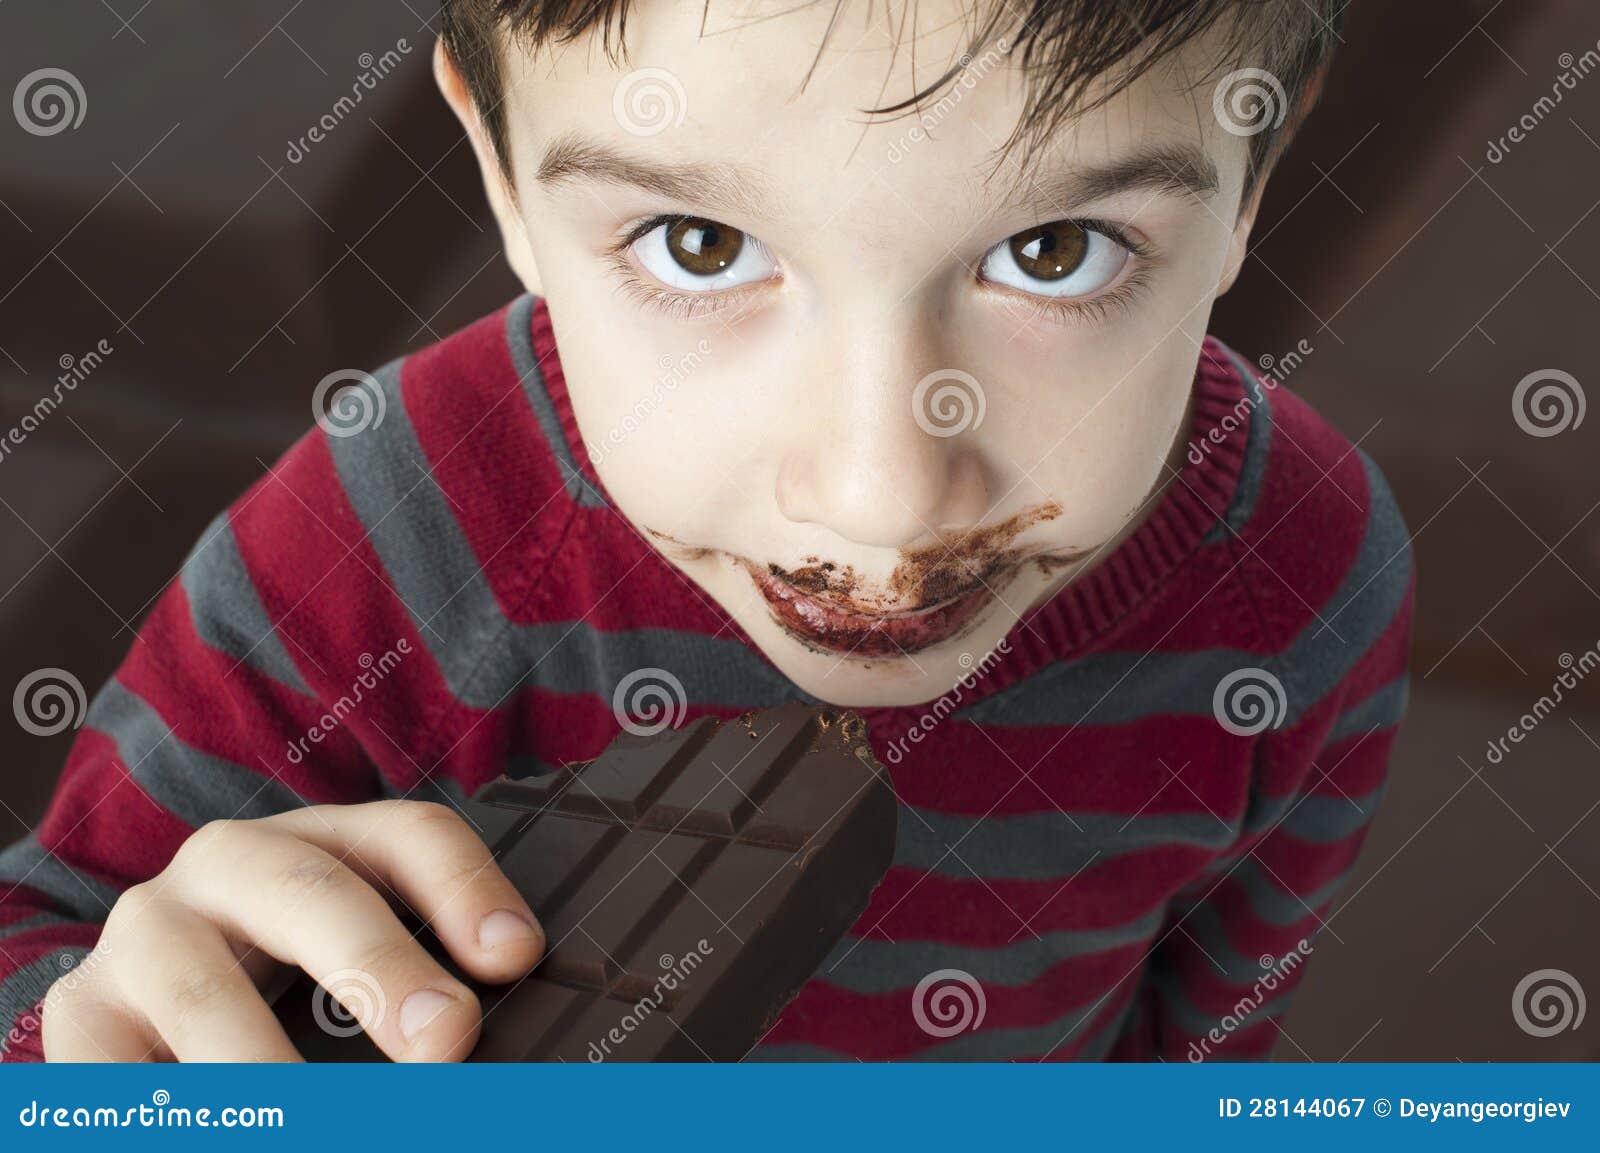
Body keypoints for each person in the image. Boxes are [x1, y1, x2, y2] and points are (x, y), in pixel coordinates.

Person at [0, 0, 1412, 1062]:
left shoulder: (1313, 573)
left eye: (1054, 252)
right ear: (502, 174)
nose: (881, 501)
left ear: (1256, 172)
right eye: (699, 245)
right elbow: (52, 939)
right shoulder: (393, 538)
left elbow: (1206, 1045)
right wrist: (91, 1050)